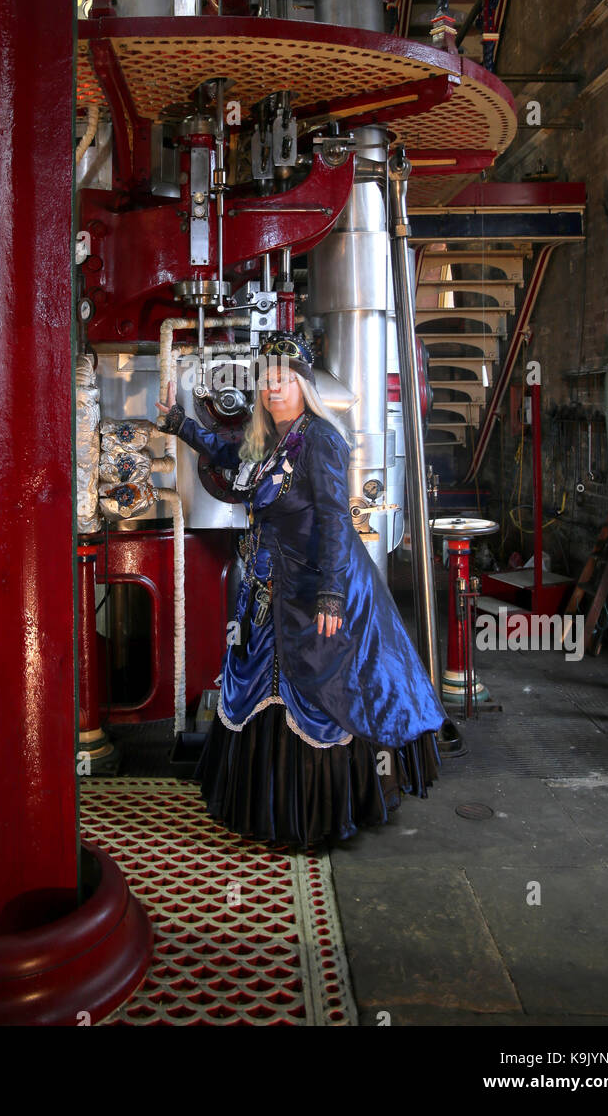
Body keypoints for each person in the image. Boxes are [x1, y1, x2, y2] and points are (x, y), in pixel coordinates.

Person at [155, 331, 445, 850]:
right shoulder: (264, 437)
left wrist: (331, 595)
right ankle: (269, 803)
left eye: (284, 379)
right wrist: (182, 425)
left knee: (321, 686)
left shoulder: (322, 440)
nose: (273, 388)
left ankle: (318, 812)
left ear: (303, 385)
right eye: (267, 380)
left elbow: (336, 519)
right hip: (270, 584)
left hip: (318, 584)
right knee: (260, 681)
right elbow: (228, 455)